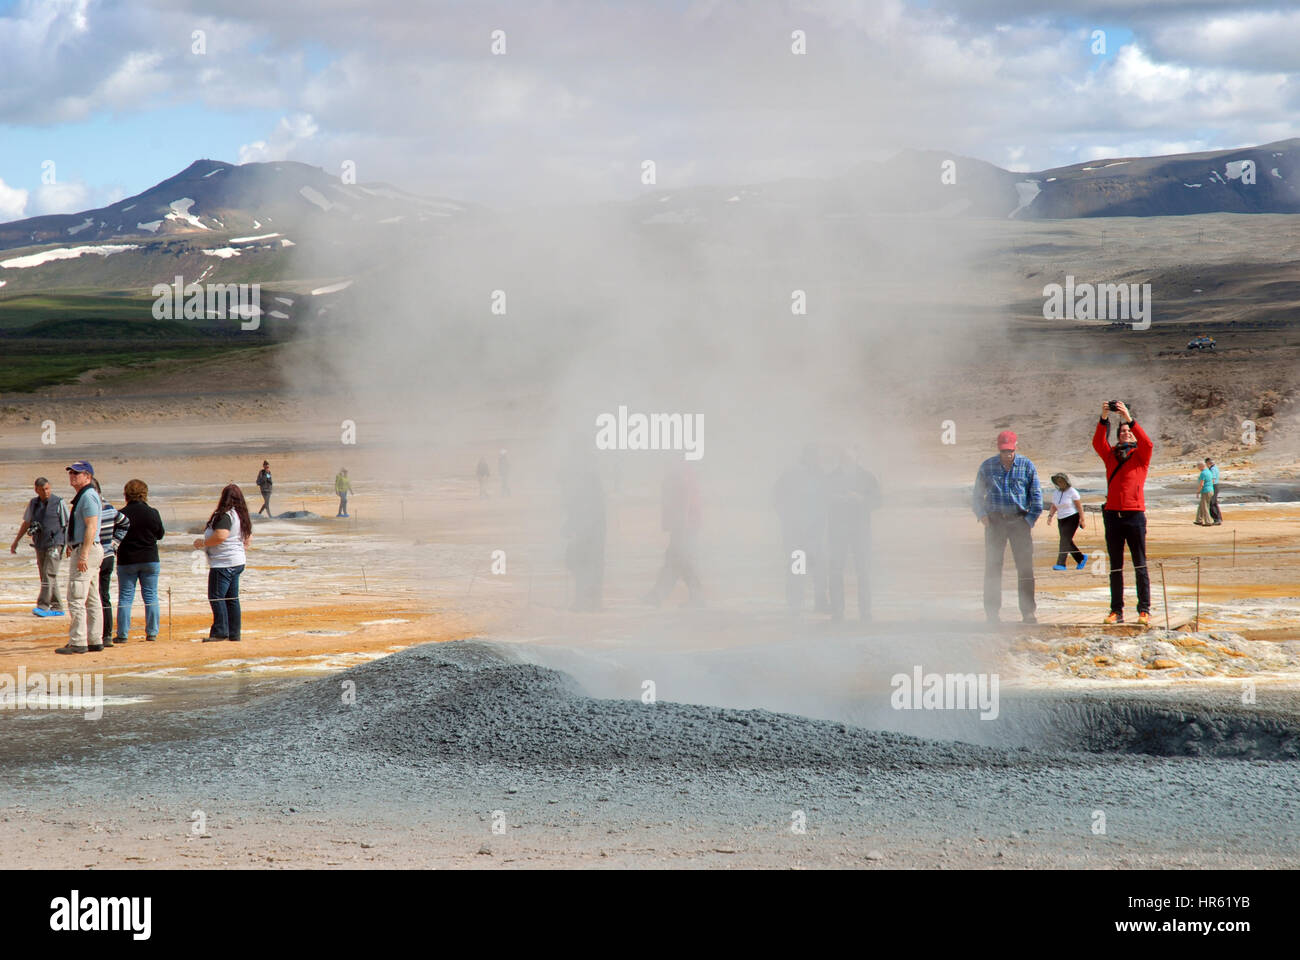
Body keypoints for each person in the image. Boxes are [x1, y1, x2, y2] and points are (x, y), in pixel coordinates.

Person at [1092, 400, 1154, 625]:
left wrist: (1128, 417)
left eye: (1129, 431)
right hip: (1112, 516)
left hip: (1134, 515)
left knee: (1140, 564)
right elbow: (1098, 443)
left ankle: (1144, 610)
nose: (1126, 433)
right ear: (1117, 436)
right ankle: (1116, 611)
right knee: (1116, 566)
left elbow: (1148, 443)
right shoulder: (1111, 456)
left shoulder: (1140, 456)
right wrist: (1104, 417)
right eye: (1123, 431)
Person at [973, 430, 1042, 624]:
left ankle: (1028, 612)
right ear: (999, 449)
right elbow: (976, 496)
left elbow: (1036, 495)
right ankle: (992, 613)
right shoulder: (987, 467)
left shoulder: (1026, 466)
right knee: (993, 567)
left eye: (1010, 450)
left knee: (1025, 568)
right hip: (995, 523)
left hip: (1020, 522)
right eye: (1004, 451)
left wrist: (1029, 521)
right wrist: (983, 517)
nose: (1007, 454)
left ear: (1015, 447)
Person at [772, 444, 829, 615]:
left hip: (815, 530)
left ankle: (819, 602)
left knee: (818, 567)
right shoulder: (792, 474)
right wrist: (787, 519)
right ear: (806, 456)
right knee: (798, 567)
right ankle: (796, 604)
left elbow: (826, 501)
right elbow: (777, 497)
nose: (817, 460)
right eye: (814, 456)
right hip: (795, 531)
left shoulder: (820, 475)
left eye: (818, 456)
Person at [825, 446, 879, 622]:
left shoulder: (867, 477)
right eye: (844, 457)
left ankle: (865, 612)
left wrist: (861, 499)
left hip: (860, 530)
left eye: (850, 457)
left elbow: (878, 501)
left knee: (863, 571)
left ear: (857, 457)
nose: (847, 460)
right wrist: (833, 500)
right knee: (835, 571)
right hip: (837, 531)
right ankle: (837, 612)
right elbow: (820, 500)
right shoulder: (831, 478)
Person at [55, 460, 103, 654]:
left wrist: (82, 554)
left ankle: (78, 641)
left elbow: (91, 526)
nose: (73, 476)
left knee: (76, 596)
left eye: (77, 473)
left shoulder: (88, 496)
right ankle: (94, 639)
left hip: (87, 550)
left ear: (88, 477)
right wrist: (71, 544)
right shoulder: (84, 496)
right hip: (85, 548)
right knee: (91, 596)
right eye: (71, 473)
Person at [195, 484, 252, 642]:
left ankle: (220, 631)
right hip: (237, 561)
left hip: (223, 563)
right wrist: (238, 550)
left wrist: (204, 542)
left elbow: (221, 535)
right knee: (231, 598)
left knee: (216, 597)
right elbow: (248, 539)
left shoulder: (225, 515)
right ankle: (234, 633)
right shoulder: (241, 515)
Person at [644, 460, 704, 607]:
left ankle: (696, 596)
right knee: (674, 560)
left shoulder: (678, 471)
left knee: (680, 560)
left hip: (683, 525)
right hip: (685, 524)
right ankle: (657, 595)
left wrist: (681, 523)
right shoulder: (683, 470)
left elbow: (684, 497)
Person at [114, 479, 165, 643]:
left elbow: (115, 537)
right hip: (149, 559)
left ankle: (122, 635)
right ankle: (152, 633)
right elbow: (160, 534)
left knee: (125, 598)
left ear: (126, 495)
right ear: (145, 494)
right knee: (151, 596)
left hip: (127, 560)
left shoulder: (121, 514)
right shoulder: (152, 513)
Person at [10, 477, 68, 617]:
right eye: (42, 490)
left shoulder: (59, 502)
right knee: (45, 576)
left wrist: (69, 545)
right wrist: (16, 540)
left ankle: (43, 606)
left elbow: (67, 524)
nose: (46, 492)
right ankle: (58, 607)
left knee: (49, 574)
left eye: (48, 488)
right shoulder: (33, 504)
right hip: (40, 544)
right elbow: (27, 523)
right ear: (36, 490)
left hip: (56, 543)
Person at [561, 449, 606, 611]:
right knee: (583, 565)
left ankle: (584, 601)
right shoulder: (590, 479)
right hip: (591, 532)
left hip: (588, 532)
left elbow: (583, 507)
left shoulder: (588, 480)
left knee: (580, 564)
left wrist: (571, 525)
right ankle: (589, 601)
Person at [91, 478, 130, 647]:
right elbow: (125, 523)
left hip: (96, 556)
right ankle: (106, 635)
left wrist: (114, 544)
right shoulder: (109, 507)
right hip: (108, 556)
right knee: (103, 595)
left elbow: (126, 523)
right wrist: (114, 544)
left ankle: (95, 634)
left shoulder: (91, 506)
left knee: (92, 596)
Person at [1045, 473, 1088, 571]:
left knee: (1064, 541)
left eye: (1062, 481)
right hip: (1061, 519)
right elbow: (1054, 506)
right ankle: (1081, 558)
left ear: (1066, 481)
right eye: (1058, 481)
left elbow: (1079, 506)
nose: (1060, 483)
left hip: (1072, 517)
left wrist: (1082, 519)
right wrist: (1050, 516)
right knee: (1066, 541)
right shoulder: (1056, 493)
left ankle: (1061, 564)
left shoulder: (1072, 492)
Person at [1195, 458, 1215, 526]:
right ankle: (1198, 520)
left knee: (1205, 507)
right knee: (1201, 505)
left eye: (1198, 467)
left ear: (1201, 466)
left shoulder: (1203, 473)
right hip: (1210, 490)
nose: (1198, 468)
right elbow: (1212, 481)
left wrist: (1198, 492)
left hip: (1206, 491)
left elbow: (1201, 484)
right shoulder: (1208, 471)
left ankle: (1208, 521)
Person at [1206, 457, 1222, 525]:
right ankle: (1219, 518)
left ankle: (1216, 519)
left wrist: (1208, 486)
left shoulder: (1212, 469)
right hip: (1215, 486)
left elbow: (1213, 479)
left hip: (1213, 486)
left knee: (1212, 503)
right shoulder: (1215, 467)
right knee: (1214, 503)